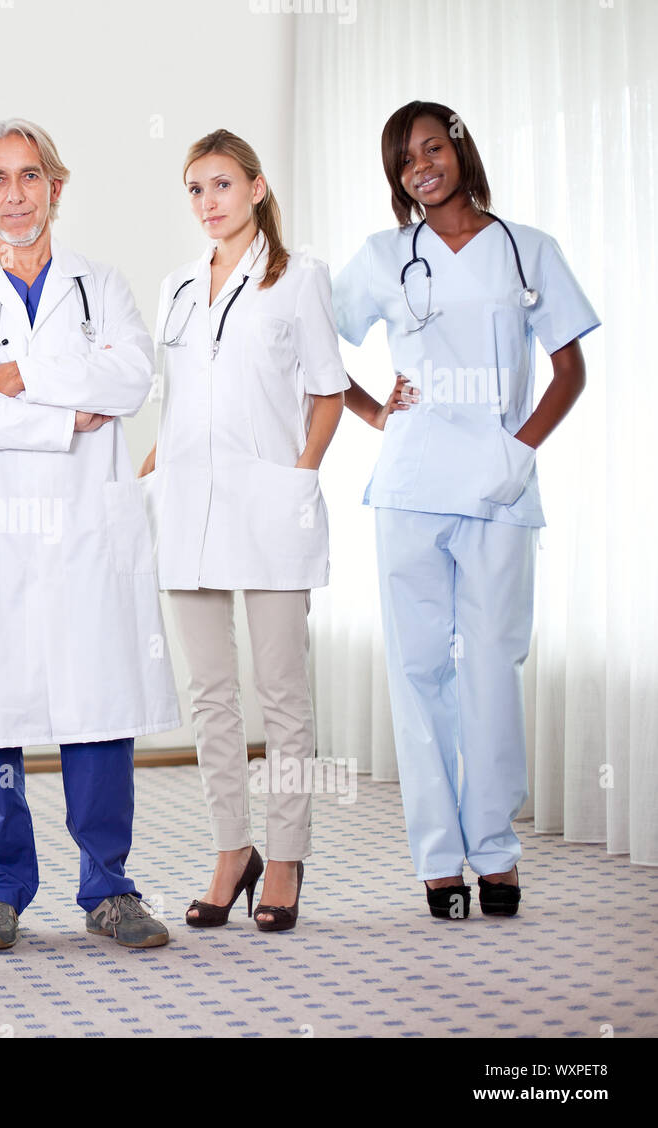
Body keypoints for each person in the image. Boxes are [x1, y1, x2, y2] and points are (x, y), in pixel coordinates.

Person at [332, 100, 599, 919]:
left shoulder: (529, 249)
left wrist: (517, 453)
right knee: (418, 676)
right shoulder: (383, 256)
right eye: (405, 159)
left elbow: (569, 371)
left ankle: (497, 852)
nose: (421, 165)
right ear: (397, 177)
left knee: (490, 670)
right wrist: (377, 411)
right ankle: (439, 861)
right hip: (410, 487)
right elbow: (310, 348)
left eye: (432, 147)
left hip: (498, 491)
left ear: (459, 150)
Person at [0, 118, 181, 951]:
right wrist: (69, 414)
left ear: (56, 188)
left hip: (84, 527)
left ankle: (109, 887)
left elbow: (134, 376)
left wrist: (23, 378)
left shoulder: (99, 285)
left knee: (98, 702)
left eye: (30, 176)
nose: (15, 195)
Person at [139, 130, 347, 933]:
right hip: (187, 505)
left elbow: (327, 392)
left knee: (283, 694)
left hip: (269, 506)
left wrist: (302, 475)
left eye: (221, 185)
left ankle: (286, 856)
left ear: (257, 189)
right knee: (209, 694)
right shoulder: (177, 288)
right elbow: (180, 408)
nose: (208, 202)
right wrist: (141, 483)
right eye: (195, 189)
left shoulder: (300, 281)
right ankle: (233, 850)